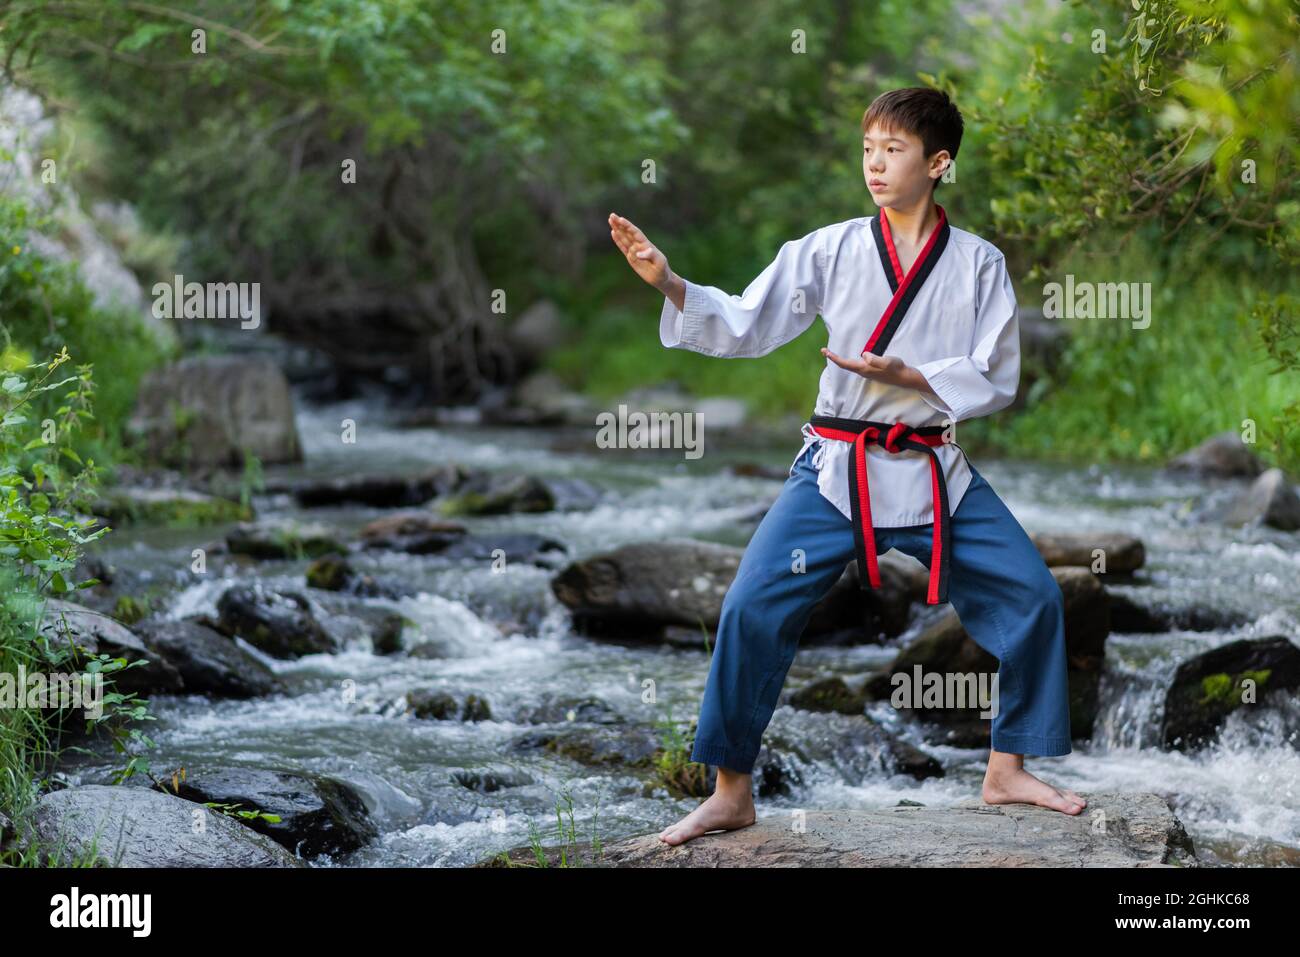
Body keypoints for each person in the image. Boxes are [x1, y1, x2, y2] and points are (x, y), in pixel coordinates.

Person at [608, 87, 1085, 848]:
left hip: (930, 467)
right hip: (837, 468)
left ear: (938, 162)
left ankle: (1005, 769)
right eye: (868, 149)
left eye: (893, 149)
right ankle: (730, 792)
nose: (875, 164)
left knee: (1033, 596)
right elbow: (748, 321)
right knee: (750, 606)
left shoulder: (978, 262)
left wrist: (911, 378)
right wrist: (668, 282)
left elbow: (997, 374)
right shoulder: (829, 249)